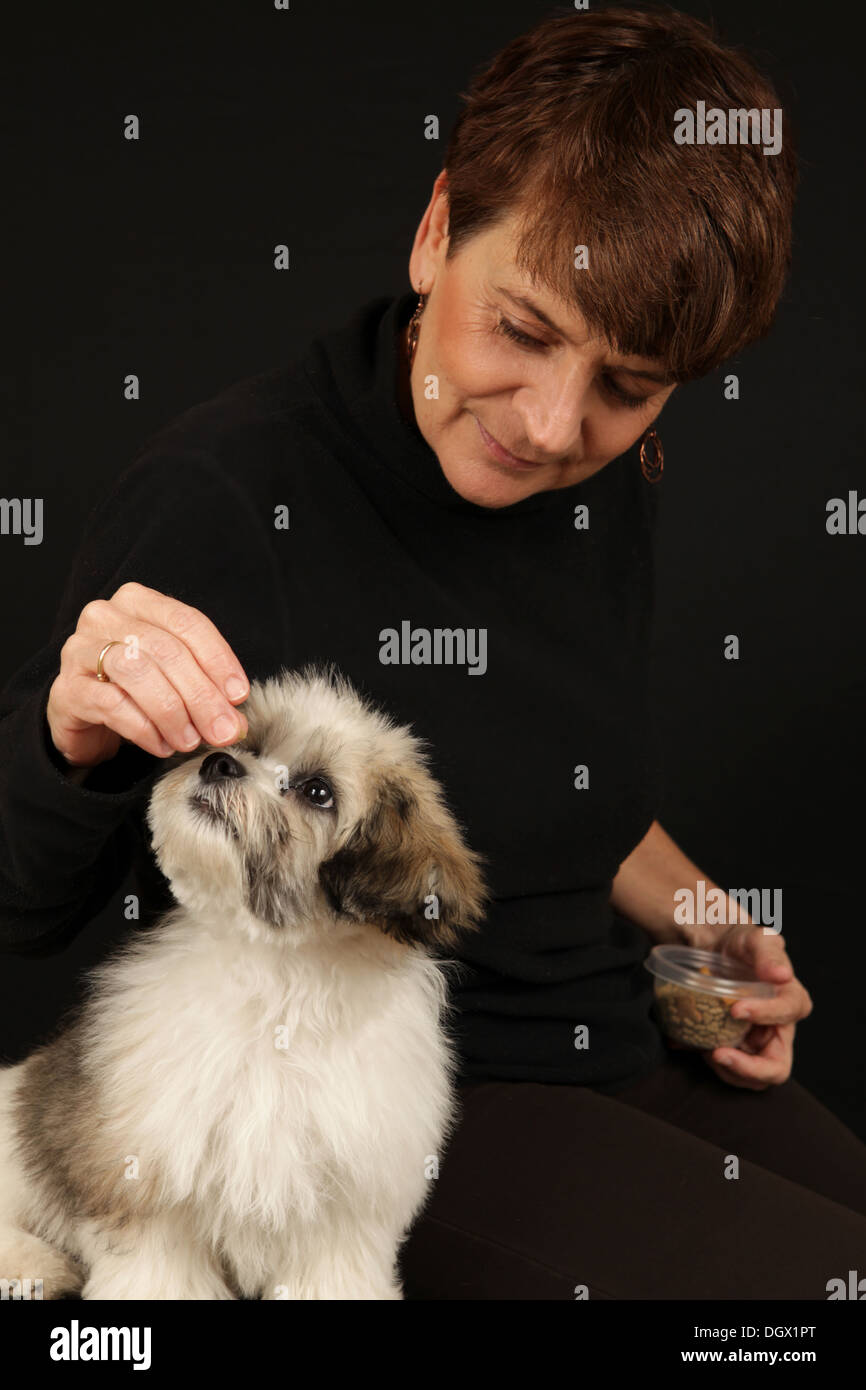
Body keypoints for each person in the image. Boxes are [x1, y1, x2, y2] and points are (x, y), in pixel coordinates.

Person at [1, 6, 863, 1299]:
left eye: (626, 385)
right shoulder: (226, 495)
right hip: (379, 1091)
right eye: (519, 331)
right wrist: (68, 736)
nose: (554, 420)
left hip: (624, 1030)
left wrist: (704, 925)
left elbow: (564, 783)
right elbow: (25, 903)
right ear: (432, 233)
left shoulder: (601, 473)